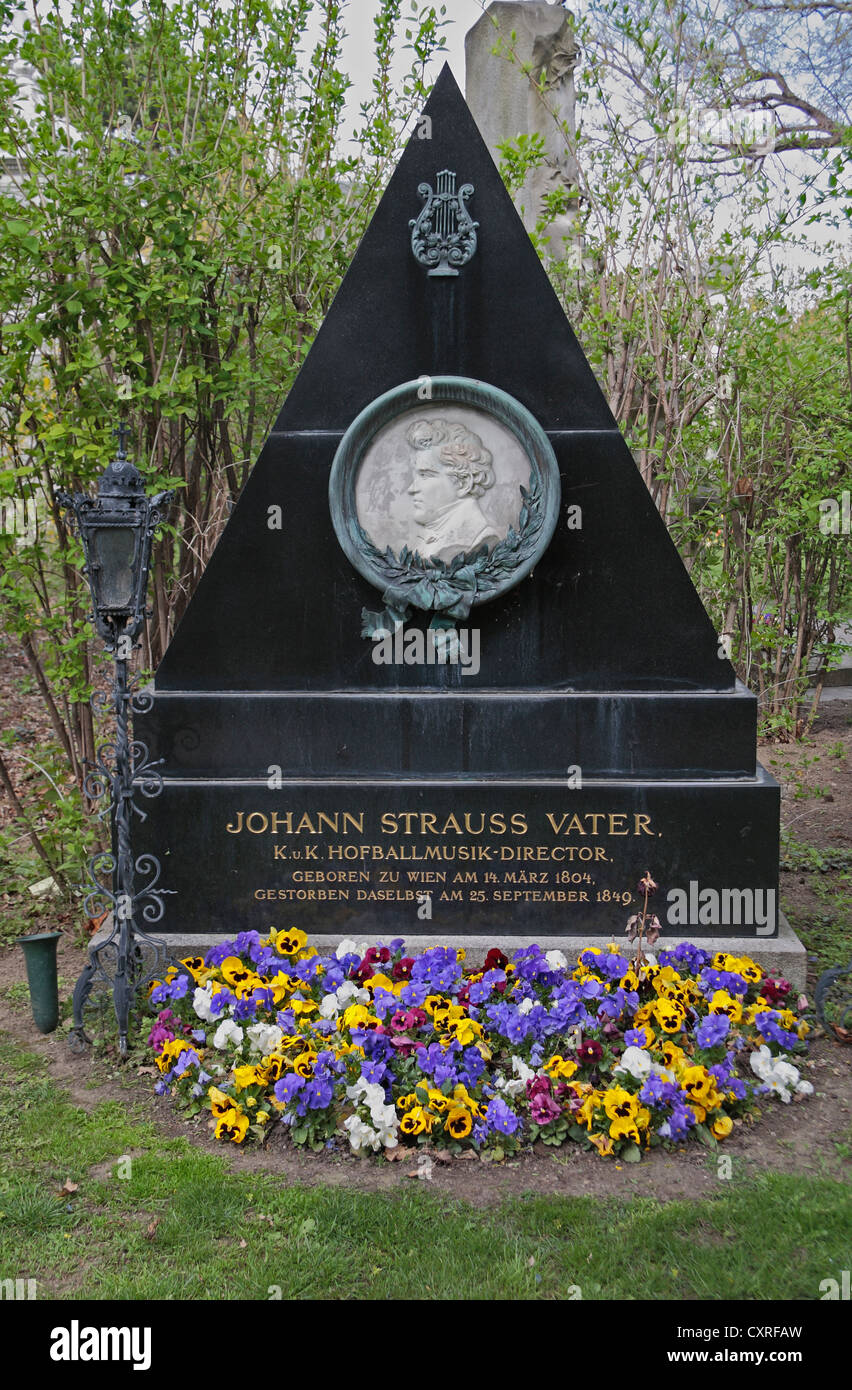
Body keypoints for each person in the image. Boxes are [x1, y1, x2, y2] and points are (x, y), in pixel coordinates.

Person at [405, 417, 502, 563]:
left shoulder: (475, 541)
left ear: (464, 483)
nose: (412, 489)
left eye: (424, 475)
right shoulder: (431, 537)